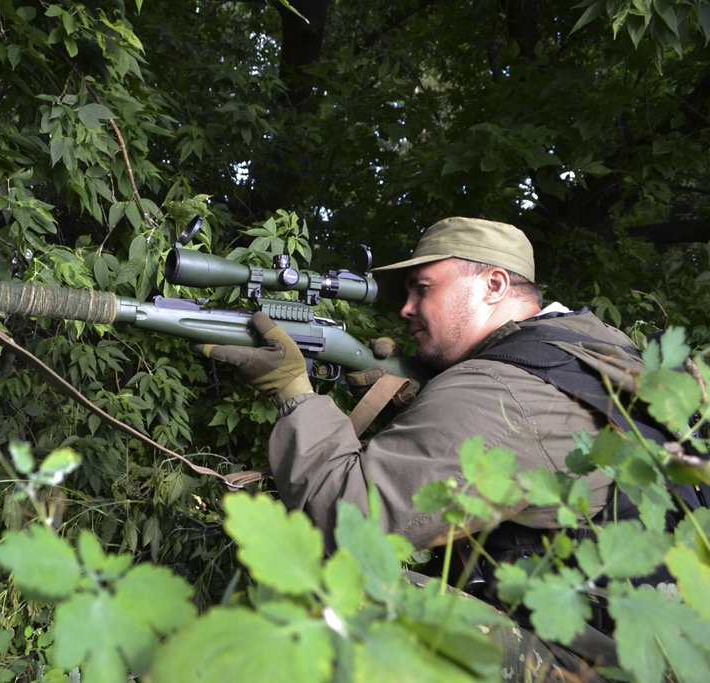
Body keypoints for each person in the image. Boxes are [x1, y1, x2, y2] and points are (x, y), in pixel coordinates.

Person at [193, 217, 649, 681]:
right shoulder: (584, 354)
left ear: (493, 285)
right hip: (637, 646)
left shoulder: (499, 388)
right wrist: (409, 400)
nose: (407, 308)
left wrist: (292, 390)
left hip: (596, 665)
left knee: (333, 591)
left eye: (423, 288)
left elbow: (353, 525)